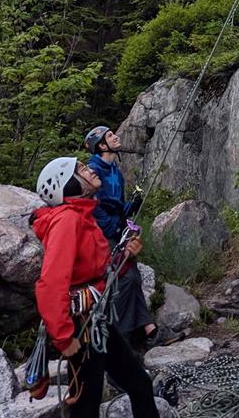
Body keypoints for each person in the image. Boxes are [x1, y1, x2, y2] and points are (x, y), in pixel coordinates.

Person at [32, 156, 161, 418]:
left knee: (139, 383)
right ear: (68, 184)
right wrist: (65, 338)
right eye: (81, 169)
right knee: (85, 407)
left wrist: (127, 255)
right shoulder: (67, 220)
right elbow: (50, 283)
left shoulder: (83, 215)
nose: (89, 169)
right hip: (82, 326)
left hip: (95, 321)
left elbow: (100, 270)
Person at [84, 125, 165, 348]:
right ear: (102, 145)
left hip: (118, 229)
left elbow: (117, 206)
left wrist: (132, 206)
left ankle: (146, 328)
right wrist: (114, 230)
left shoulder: (115, 172)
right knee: (123, 280)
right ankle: (122, 337)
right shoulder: (93, 171)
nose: (116, 137)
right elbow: (95, 207)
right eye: (110, 136)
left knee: (134, 277)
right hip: (106, 235)